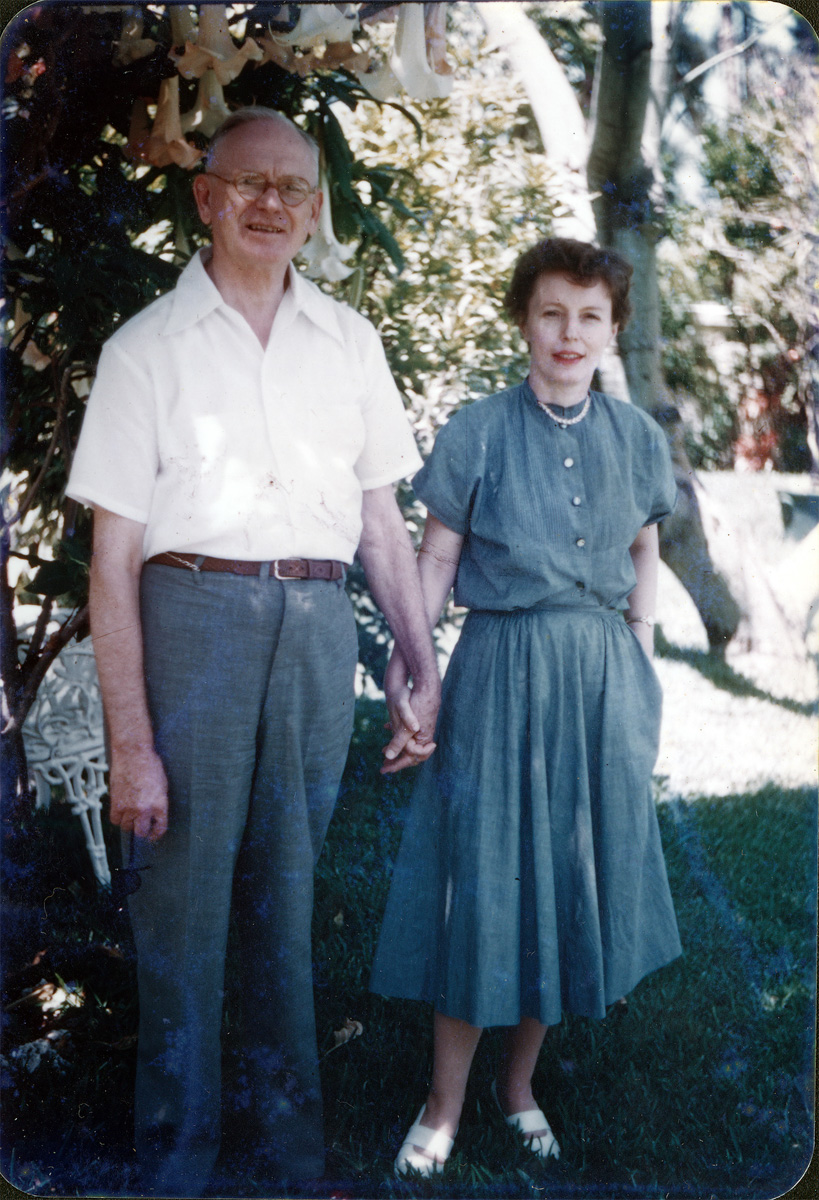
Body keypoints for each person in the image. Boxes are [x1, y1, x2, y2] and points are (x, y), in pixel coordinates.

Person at [66, 107, 440, 1196]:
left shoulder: (350, 344)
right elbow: (110, 561)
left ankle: (285, 1162)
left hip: (319, 632)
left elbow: (379, 523)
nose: (272, 204)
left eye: (294, 188)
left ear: (316, 210)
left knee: (288, 900)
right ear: (207, 198)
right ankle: (175, 1167)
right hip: (195, 623)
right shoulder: (146, 351)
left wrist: (420, 667)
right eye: (250, 184)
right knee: (181, 909)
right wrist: (131, 747)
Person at [370, 237, 683, 1175]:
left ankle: (518, 1085)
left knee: (565, 881)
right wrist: (412, 665)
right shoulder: (478, 428)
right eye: (550, 312)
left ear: (611, 328)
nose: (568, 333)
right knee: (482, 881)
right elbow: (434, 560)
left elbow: (640, 552)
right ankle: (442, 1103)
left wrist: (639, 651)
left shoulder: (636, 438)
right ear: (522, 320)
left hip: (599, 677)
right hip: (500, 672)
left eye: (589, 316)